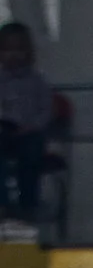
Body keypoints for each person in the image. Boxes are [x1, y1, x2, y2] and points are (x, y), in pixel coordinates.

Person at [0, 23, 55, 225]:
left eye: (18, 50)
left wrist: (32, 126)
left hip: (30, 133)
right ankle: (4, 203)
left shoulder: (37, 80)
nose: (13, 55)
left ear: (27, 51)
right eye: (7, 50)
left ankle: (28, 204)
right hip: (5, 132)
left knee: (31, 156)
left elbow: (46, 111)